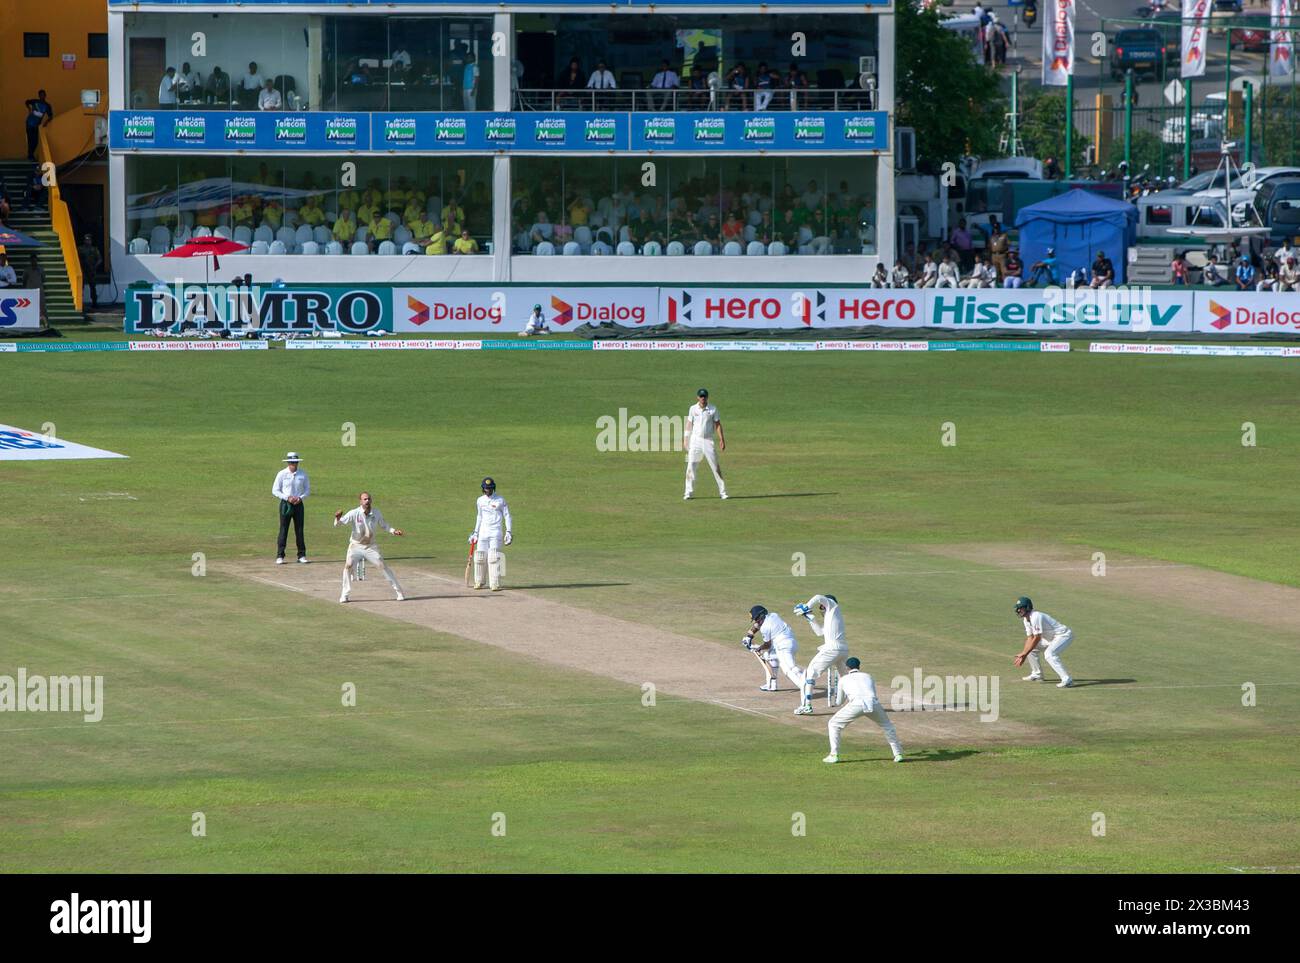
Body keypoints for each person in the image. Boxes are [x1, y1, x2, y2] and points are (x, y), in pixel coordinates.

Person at [823, 657, 904, 764]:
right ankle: (898, 754)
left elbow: (839, 702)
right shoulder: (868, 676)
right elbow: (873, 693)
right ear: (859, 666)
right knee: (887, 726)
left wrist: (834, 702)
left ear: (847, 667)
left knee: (833, 724)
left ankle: (834, 755)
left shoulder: (843, 679)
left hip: (856, 704)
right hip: (873, 703)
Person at [334, 492, 405, 604]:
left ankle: (399, 592)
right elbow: (338, 524)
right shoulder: (354, 513)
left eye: (368, 499)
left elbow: (384, 524)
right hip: (355, 545)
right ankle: (345, 595)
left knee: (383, 566)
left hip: (370, 546)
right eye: (365, 499)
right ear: (360, 501)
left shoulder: (376, 513)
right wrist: (337, 518)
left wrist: (393, 531)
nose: (367, 501)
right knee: (348, 567)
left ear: (371, 501)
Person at [742, 605, 810, 714]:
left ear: (761, 616)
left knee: (789, 670)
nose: (756, 621)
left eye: (756, 619)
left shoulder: (765, 627)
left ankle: (805, 685)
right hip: (791, 642)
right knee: (770, 656)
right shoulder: (773, 615)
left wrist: (756, 648)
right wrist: (749, 636)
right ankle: (771, 685)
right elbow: (757, 626)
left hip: (783, 646)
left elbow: (767, 644)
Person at [794, 595, 851, 709]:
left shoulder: (833, 606)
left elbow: (818, 596)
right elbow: (819, 632)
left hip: (832, 649)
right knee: (845, 678)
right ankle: (854, 701)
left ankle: (807, 705)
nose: (822, 609)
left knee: (810, 672)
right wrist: (810, 617)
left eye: (822, 607)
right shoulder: (832, 618)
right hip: (843, 650)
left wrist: (806, 606)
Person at [1013, 596, 1074, 688]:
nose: (1018, 610)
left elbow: (1037, 638)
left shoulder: (1036, 616)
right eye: (1018, 608)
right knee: (1031, 649)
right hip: (1050, 638)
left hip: (1063, 635)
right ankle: (1037, 674)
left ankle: (1067, 679)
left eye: (1021, 608)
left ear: (1027, 607)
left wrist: (1025, 653)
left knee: (1049, 654)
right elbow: (1030, 638)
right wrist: (1024, 653)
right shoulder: (1026, 620)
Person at [469, 476, 512, 591]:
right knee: (479, 557)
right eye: (486, 488)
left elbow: (507, 515)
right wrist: (475, 532)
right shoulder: (480, 500)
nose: (488, 490)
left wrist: (508, 531)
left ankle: (495, 583)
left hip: (495, 532)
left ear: (493, 488)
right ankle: (479, 581)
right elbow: (479, 516)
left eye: (490, 488)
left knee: (493, 557)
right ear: (483, 489)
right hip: (483, 531)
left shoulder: (500, 500)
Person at [683, 388, 727, 500]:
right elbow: (689, 424)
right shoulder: (693, 409)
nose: (703, 398)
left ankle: (723, 492)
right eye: (701, 396)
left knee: (715, 466)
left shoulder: (712, 409)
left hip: (708, 440)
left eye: (704, 396)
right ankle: (688, 492)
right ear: (697, 397)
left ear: (707, 397)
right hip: (695, 441)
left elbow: (717, 424)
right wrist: (686, 439)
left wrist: (722, 439)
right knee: (691, 465)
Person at [272, 451, 310, 564]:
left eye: (295, 462)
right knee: (283, 529)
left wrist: (300, 498)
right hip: (286, 505)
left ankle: (301, 555)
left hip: (298, 504)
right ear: (288, 462)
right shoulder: (282, 474)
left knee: (299, 530)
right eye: (291, 462)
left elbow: (307, 490)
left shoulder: (303, 474)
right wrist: (287, 498)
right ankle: (280, 556)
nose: (293, 464)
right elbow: (275, 490)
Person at [24, 90, 54, 161]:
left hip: (36, 125)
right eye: (40, 95)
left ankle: (30, 155)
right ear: (39, 96)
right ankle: (30, 156)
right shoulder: (35, 101)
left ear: (45, 95)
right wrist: (29, 108)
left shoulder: (47, 105)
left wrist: (46, 122)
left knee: (36, 141)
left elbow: (51, 116)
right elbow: (27, 102)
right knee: (30, 140)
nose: (42, 96)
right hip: (29, 123)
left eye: (43, 95)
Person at [77, 234, 102, 308]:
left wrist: (95, 266)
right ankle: (80, 303)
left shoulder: (94, 249)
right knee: (81, 288)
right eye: (86, 240)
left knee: (93, 287)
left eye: (89, 240)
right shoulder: (80, 249)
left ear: (91, 241)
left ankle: (94, 302)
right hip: (83, 270)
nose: (88, 241)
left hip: (91, 270)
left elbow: (100, 259)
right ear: (84, 240)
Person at [24, 255, 46, 323]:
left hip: (39, 290)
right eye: (32, 260)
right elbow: (24, 280)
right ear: (30, 261)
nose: (34, 262)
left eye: (35, 260)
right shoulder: (27, 270)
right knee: (29, 306)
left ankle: (44, 322)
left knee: (41, 306)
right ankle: (29, 321)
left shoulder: (41, 269)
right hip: (30, 291)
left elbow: (43, 279)